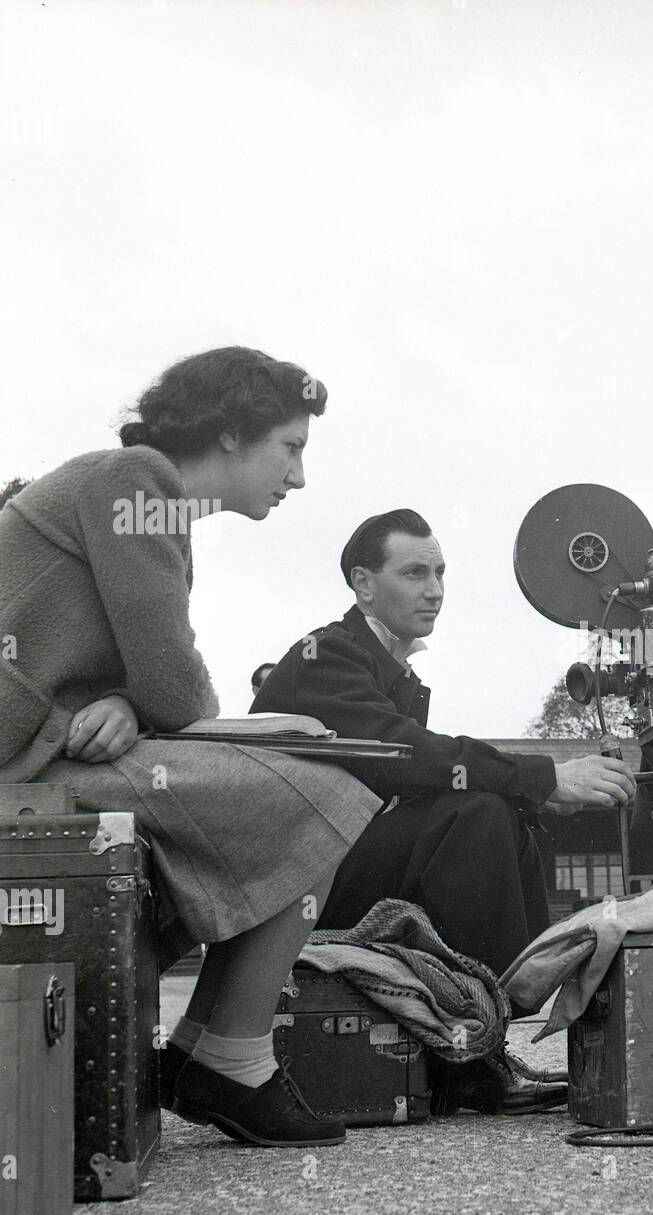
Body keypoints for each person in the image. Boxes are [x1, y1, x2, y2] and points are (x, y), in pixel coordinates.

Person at [0, 346, 382, 1146]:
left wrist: (125, 701)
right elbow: (176, 690)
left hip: (38, 749)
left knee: (312, 768)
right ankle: (225, 1059)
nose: (300, 477)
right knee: (331, 785)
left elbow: (148, 682)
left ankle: (217, 1051)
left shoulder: (146, 501)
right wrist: (142, 701)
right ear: (235, 433)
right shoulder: (134, 483)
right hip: (20, 765)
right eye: (292, 446)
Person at [251, 508, 636, 1111]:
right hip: (292, 880)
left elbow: (419, 774)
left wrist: (532, 796)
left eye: (440, 573)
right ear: (363, 583)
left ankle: (481, 1037)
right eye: (413, 572)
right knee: (478, 812)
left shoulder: (383, 662)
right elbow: (410, 756)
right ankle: (477, 1054)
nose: (433, 590)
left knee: (494, 810)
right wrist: (542, 778)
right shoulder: (327, 655)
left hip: (333, 861)